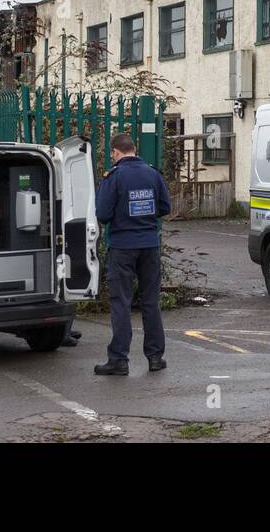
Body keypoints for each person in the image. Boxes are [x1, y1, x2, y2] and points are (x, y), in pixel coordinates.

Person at [93, 132, 171, 376]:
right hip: (149, 245)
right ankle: (156, 357)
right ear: (134, 149)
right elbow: (164, 207)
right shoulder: (152, 174)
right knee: (150, 302)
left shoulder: (114, 177)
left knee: (121, 303)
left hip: (123, 247)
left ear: (115, 152)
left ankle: (119, 360)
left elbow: (103, 214)